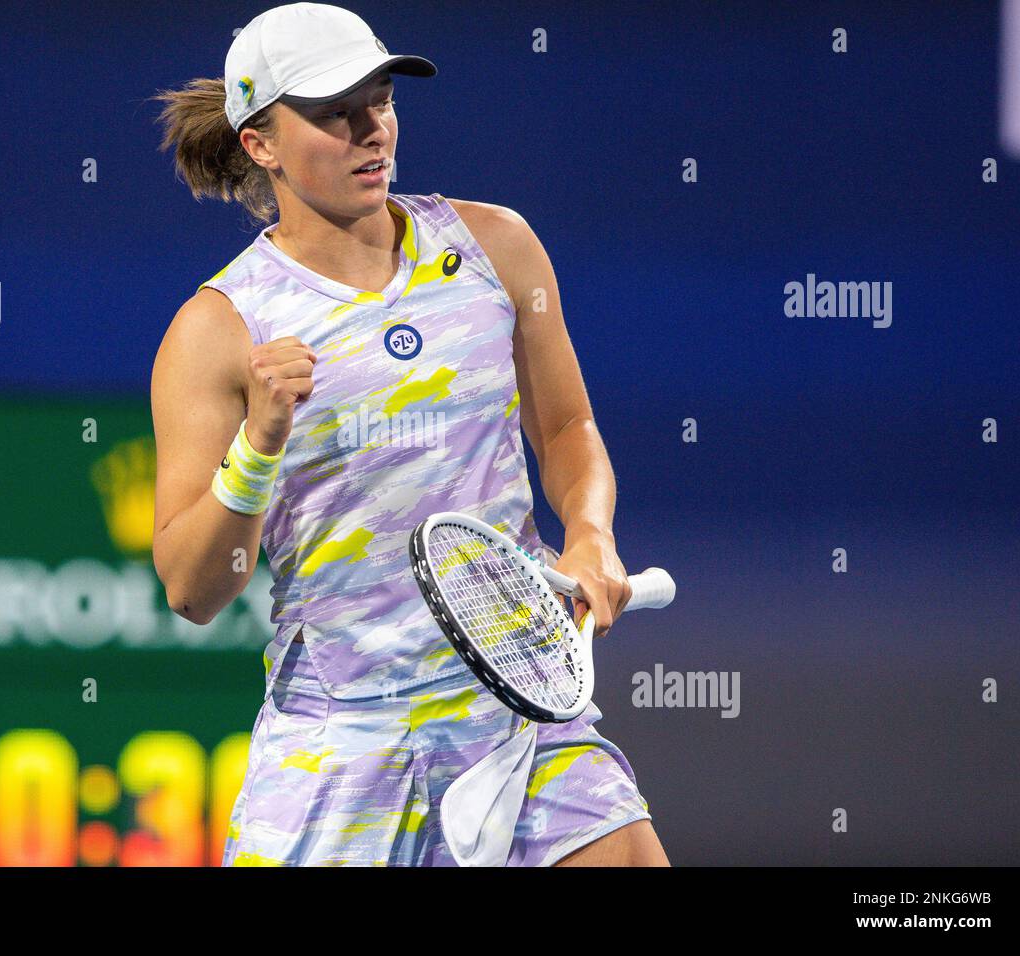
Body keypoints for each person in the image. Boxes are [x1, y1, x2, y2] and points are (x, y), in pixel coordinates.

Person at [150, 2, 669, 867]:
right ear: (259, 144)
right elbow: (193, 590)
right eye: (331, 113)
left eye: (380, 100)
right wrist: (260, 446)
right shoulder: (216, 331)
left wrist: (591, 539)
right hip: (339, 741)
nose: (370, 130)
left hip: (521, 703)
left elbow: (568, 427)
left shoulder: (497, 246)